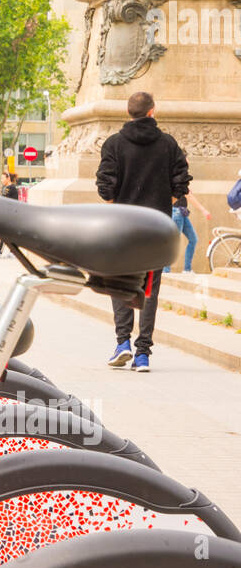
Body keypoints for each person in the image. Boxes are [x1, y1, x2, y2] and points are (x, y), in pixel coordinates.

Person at [96, 90, 190, 372]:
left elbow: (105, 189)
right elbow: (181, 183)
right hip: (155, 228)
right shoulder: (168, 144)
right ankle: (143, 354)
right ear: (152, 111)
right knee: (150, 289)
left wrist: (119, 207)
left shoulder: (113, 144)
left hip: (123, 227)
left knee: (120, 283)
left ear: (129, 113)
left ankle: (122, 343)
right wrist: (162, 204)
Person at [164, 190, 211, 274]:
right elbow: (189, 196)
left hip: (181, 212)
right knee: (173, 242)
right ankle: (166, 270)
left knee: (193, 239)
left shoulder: (180, 180)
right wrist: (203, 210)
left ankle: (187, 269)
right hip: (177, 212)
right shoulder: (180, 179)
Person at [0, 172, 19, 255]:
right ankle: (11, 252)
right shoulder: (6, 187)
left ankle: (2, 251)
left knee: (5, 234)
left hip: (10, 214)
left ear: (8, 178)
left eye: (2, 178)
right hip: (7, 214)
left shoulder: (11, 188)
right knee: (6, 234)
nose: (1, 180)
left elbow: (7, 201)